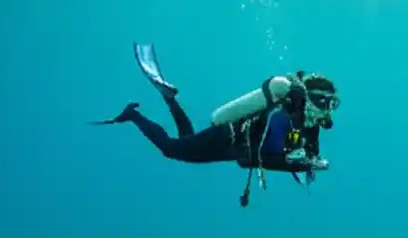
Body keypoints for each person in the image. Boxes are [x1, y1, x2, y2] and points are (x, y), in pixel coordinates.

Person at [94, 43, 340, 206]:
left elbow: (299, 154)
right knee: (171, 150)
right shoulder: (283, 117)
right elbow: (252, 160)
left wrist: (308, 163)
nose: (326, 110)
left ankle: (169, 99)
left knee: (184, 142)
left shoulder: (306, 122)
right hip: (227, 139)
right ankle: (133, 115)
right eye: (322, 102)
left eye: (331, 104)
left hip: (230, 143)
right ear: (308, 98)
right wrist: (298, 165)